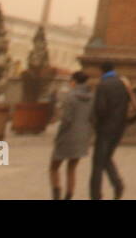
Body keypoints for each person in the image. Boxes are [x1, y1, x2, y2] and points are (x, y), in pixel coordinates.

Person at [50, 71, 95, 200]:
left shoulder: (70, 97)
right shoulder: (92, 97)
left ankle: (56, 194)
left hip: (67, 136)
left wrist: (58, 136)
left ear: (74, 82)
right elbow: (92, 118)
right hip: (82, 137)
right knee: (72, 169)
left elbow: (66, 120)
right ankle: (68, 196)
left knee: (54, 167)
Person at [90, 61, 130, 200]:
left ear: (101, 70)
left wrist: (96, 124)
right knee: (106, 158)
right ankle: (117, 184)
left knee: (97, 164)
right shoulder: (122, 83)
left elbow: (100, 109)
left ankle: (96, 195)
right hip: (119, 127)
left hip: (105, 128)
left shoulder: (103, 85)